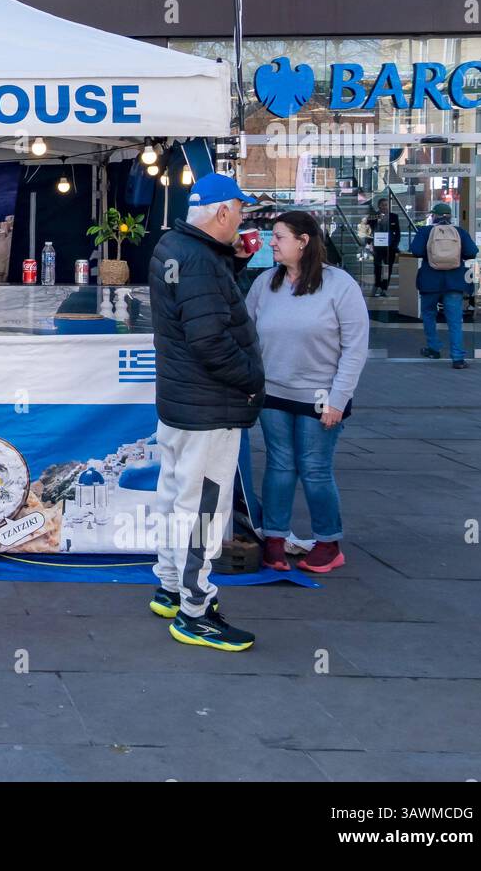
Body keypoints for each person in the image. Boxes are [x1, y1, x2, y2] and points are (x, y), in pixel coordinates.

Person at [147, 172, 264, 652]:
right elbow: (209, 338)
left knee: (176, 496)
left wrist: (230, 264)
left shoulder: (175, 247)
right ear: (222, 211)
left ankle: (171, 587)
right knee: (202, 511)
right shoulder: (197, 259)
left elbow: (197, 313)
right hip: (209, 407)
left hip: (182, 404)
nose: (242, 220)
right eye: (240, 210)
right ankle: (195, 612)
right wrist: (253, 380)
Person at [246, 211, 369, 574]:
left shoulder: (340, 285)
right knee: (280, 465)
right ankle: (274, 538)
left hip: (321, 397)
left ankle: (328, 543)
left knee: (315, 469)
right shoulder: (265, 283)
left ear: (303, 241)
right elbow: (248, 333)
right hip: (274, 394)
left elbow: (355, 346)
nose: (272, 243)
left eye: (279, 237)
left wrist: (339, 399)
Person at [410, 202, 478, 369]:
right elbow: (472, 252)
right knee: (455, 320)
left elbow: (416, 251)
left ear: (434, 216)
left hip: (430, 281)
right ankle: (457, 358)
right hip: (454, 281)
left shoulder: (426, 231)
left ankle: (433, 348)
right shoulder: (459, 232)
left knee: (428, 314)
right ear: (450, 216)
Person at [364, 198, 401, 297]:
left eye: (386, 205)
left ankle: (384, 288)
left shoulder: (394, 217)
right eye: (382, 205)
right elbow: (368, 232)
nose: (384, 207)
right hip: (377, 247)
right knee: (377, 268)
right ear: (379, 206)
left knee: (388, 268)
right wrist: (368, 244)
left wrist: (395, 245)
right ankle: (376, 285)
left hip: (390, 248)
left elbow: (397, 233)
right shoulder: (372, 217)